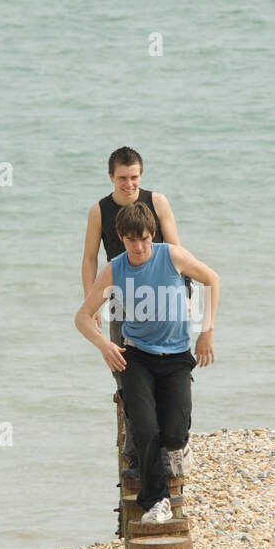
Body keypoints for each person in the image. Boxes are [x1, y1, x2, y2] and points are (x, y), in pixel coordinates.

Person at [75, 202, 219, 523]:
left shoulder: (172, 256)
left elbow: (211, 279)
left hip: (176, 356)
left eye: (143, 239)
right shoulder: (114, 269)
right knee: (145, 428)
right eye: (130, 240)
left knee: (173, 433)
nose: (138, 247)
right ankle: (157, 500)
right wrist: (103, 345)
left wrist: (206, 332)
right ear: (121, 239)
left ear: (151, 235)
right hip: (136, 356)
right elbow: (82, 317)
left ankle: (180, 446)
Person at [81, 146, 190, 477]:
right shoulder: (100, 211)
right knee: (125, 371)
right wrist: (91, 300)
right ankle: (136, 451)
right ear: (111, 177)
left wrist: (184, 293)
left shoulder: (157, 203)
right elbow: (89, 258)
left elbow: (176, 250)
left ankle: (168, 444)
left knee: (168, 369)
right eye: (122, 178)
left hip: (160, 295)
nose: (129, 184)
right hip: (118, 297)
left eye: (134, 178)